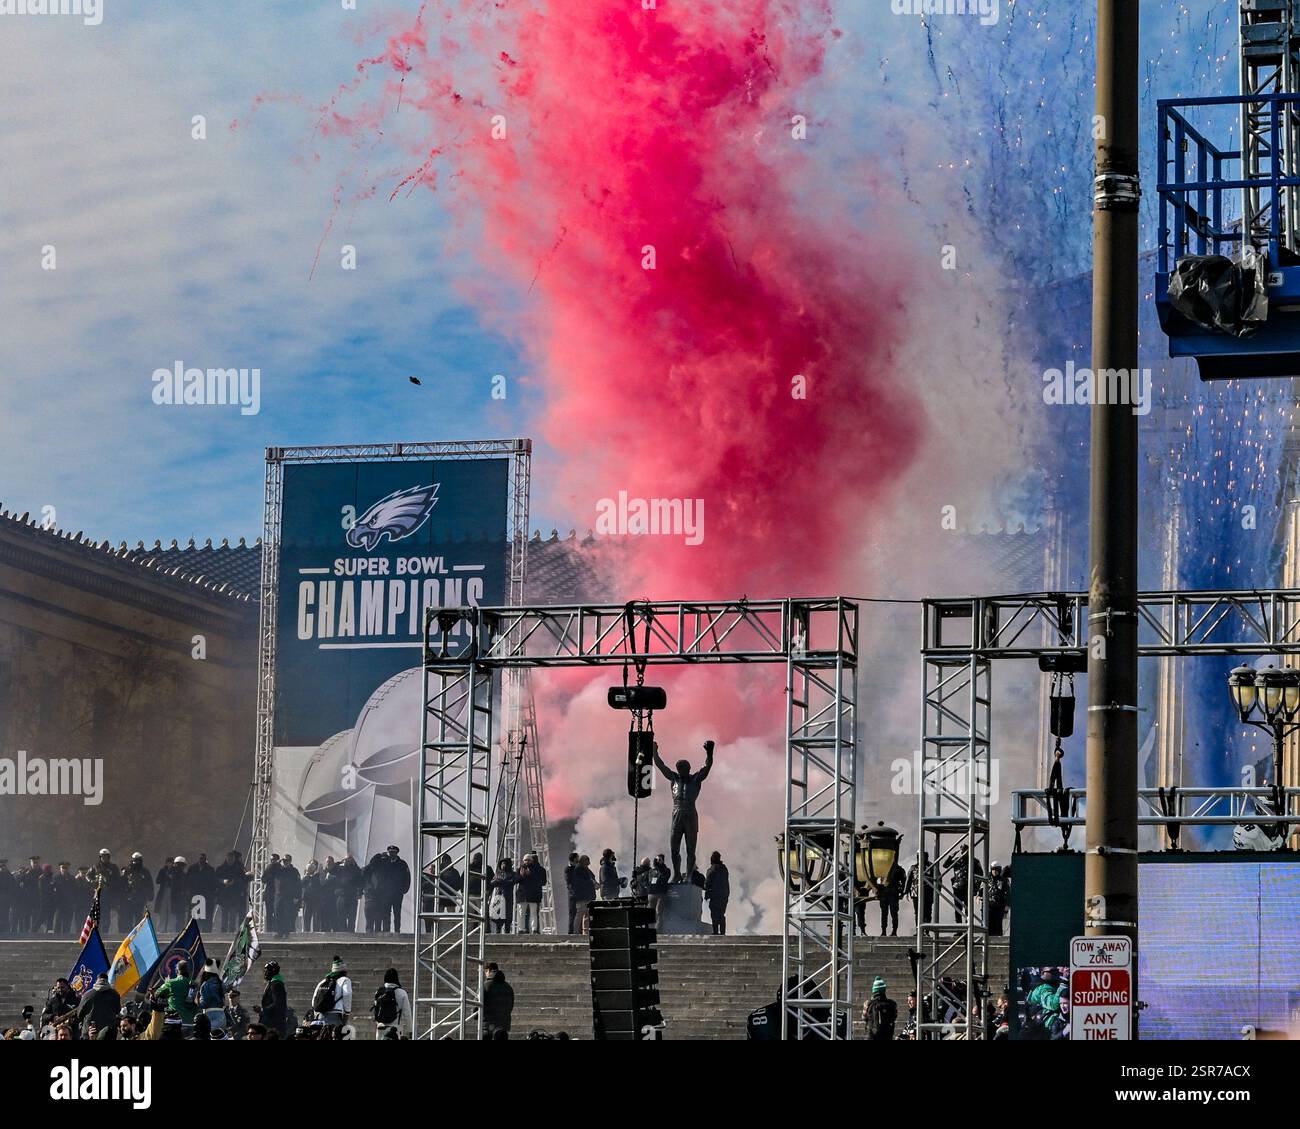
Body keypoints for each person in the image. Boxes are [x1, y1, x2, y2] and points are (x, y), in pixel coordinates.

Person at [652, 739, 715, 882]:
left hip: (691, 814)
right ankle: (676, 874)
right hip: (677, 814)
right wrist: (654, 752)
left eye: (683, 769)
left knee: (690, 848)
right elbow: (661, 766)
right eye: (679, 769)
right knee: (674, 847)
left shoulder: (695, 779)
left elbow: (707, 766)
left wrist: (709, 752)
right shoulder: (674, 778)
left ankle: (689, 875)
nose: (680, 771)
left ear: (688, 769)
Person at [313, 955, 352, 1034]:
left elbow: (315, 997)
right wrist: (347, 1012)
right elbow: (347, 994)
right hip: (335, 1014)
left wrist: (315, 1012)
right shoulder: (345, 980)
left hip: (321, 1014)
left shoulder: (323, 981)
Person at [77, 972, 121, 1040]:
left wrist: (81, 1027)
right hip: (108, 1033)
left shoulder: (88, 995)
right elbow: (118, 1011)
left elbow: (79, 1013)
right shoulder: (115, 995)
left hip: (90, 1031)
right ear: (107, 980)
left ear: (96, 980)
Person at [371, 967, 412, 1040]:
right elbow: (407, 1014)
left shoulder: (379, 992)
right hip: (395, 1031)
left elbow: (376, 1011)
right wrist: (410, 1031)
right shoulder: (402, 993)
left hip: (380, 1029)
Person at [873, 853, 907, 937]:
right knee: (885, 914)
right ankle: (884, 931)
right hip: (884, 894)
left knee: (893, 913)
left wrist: (902, 892)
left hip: (893, 894)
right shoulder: (882, 868)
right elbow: (876, 879)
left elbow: (904, 882)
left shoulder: (898, 869)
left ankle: (893, 931)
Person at [214, 850, 248, 932]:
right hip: (224, 895)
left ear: (234, 859)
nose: (230, 860)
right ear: (226, 859)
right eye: (229, 859)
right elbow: (215, 880)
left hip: (234, 895)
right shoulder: (220, 868)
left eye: (231, 859)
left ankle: (231, 930)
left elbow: (243, 881)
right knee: (224, 914)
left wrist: (234, 882)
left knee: (233, 914)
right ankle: (223, 930)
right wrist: (223, 881)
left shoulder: (239, 869)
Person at [154, 856, 190, 933]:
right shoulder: (163, 871)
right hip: (164, 892)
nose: (169, 864)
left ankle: (170, 929)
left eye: (171, 862)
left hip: (173, 893)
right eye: (168, 862)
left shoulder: (176, 872)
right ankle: (161, 929)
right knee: (162, 912)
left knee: (172, 912)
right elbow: (157, 881)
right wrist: (165, 878)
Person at [159, 960, 198, 1028]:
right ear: (188, 971)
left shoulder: (170, 983)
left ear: (177, 971)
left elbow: (157, 993)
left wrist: (166, 984)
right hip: (191, 1023)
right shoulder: (195, 984)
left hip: (175, 1023)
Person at [514, 852, 547, 934]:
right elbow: (515, 880)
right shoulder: (520, 869)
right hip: (522, 895)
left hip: (533, 895)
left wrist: (530, 874)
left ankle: (534, 929)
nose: (527, 862)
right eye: (525, 860)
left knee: (533, 913)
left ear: (532, 861)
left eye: (528, 860)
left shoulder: (539, 869)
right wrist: (521, 875)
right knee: (521, 913)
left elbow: (542, 882)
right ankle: (521, 929)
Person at [90, 849, 121, 931]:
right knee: (97, 914)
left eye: (106, 856)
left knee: (106, 915)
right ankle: (96, 931)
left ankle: (105, 932)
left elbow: (118, 881)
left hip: (108, 895)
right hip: (98, 894)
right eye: (102, 856)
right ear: (100, 857)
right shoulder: (95, 866)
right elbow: (88, 876)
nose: (104, 858)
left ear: (108, 857)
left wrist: (109, 882)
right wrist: (93, 881)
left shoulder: (113, 867)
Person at [482, 962, 515, 1040]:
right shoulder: (508, 987)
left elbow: (476, 1006)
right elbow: (510, 1006)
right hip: (504, 1025)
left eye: (485, 972)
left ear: (488, 971)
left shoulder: (485, 985)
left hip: (488, 1025)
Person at [256, 960, 289, 1038]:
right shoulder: (273, 983)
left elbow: (278, 1003)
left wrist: (262, 1010)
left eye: (267, 971)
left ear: (272, 971)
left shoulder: (276, 984)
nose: (265, 973)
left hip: (273, 1025)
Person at [120, 853, 154, 927]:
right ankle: (128, 933)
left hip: (140, 897)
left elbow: (149, 884)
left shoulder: (145, 871)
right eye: (134, 860)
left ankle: (137, 933)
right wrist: (122, 895)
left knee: (138, 916)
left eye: (138, 860)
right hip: (129, 897)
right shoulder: (127, 870)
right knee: (128, 916)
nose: (136, 862)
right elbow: (122, 883)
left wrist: (150, 895)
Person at [383, 845, 411, 932]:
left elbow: (407, 877)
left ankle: (397, 930)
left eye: (393, 852)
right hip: (386, 893)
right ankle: (386, 930)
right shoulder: (384, 863)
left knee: (397, 913)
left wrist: (404, 889)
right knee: (386, 913)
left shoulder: (402, 864)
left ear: (396, 853)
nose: (391, 854)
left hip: (397, 893)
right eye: (390, 852)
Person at [332, 853, 363, 932]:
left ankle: (351, 932)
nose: (347, 861)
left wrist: (359, 893)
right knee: (341, 916)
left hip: (352, 896)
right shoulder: (340, 869)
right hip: (341, 896)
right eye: (346, 860)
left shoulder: (356, 869)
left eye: (349, 859)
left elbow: (360, 882)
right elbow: (332, 869)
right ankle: (343, 932)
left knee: (352, 917)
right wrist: (340, 862)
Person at [197, 958, 228, 1032]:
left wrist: (197, 1001)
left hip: (210, 1015)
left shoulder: (206, 985)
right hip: (222, 1015)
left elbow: (204, 1004)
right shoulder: (221, 984)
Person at [363, 851, 390, 933]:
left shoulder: (370, 870)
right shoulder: (374, 870)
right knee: (373, 922)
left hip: (374, 899)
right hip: (373, 898)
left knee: (373, 923)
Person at [863, 976, 897, 1041]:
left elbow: (864, 1018)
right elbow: (894, 1016)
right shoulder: (892, 1004)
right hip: (887, 1036)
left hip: (871, 1036)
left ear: (874, 991)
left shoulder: (867, 1003)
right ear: (884, 990)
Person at [275, 854, 302, 936]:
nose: (285, 862)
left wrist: (297, 897)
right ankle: (279, 931)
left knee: (287, 914)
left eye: (286, 860)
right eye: (283, 860)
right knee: (278, 912)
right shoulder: (279, 870)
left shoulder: (294, 871)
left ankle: (286, 932)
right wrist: (276, 864)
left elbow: (298, 885)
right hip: (280, 896)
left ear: (290, 861)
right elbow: (272, 875)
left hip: (289, 896)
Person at [704, 851, 730, 935]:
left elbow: (707, 882)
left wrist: (707, 892)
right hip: (724, 895)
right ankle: (722, 933)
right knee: (721, 914)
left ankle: (715, 932)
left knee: (714, 914)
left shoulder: (712, 869)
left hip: (715, 895)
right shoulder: (724, 869)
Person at [189, 853, 218, 927]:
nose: (202, 860)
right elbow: (187, 881)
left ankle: (206, 931)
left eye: (203, 859)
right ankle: (193, 930)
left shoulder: (210, 870)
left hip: (206, 895)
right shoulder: (192, 868)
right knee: (194, 916)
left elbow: (214, 883)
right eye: (201, 858)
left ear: (205, 860)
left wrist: (212, 893)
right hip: (194, 895)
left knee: (206, 916)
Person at [570, 855, 596, 935]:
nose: (589, 862)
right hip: (581, 897)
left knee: (587, 916)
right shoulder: (578, 870)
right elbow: (581, 883)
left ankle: (586, 933)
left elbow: (592, 878)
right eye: (587, 860)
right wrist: (591, 882)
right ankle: (575, 933)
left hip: (588, 896)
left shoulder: (586, 870)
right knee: (579, 915)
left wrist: (595, 883)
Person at [489, 858, 516, 933]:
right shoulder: (498, 873)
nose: (503, 865)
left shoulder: (512, 873)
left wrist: (503, 882)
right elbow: (492, 882)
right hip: (499, 896)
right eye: (502, 864)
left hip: (508, 896)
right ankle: (498, 930)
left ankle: (507, 930)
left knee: (508, 914)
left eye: (504, 864)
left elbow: (513, 881)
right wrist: (496, 881)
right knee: (498, 914)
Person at [987, 862, 1011, 936]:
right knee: (989, 925)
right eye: (993, 869)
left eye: (996, 869)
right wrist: (979, 896)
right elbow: (982, 888)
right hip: (989, 906)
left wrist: (1007, 905)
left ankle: (997, 940)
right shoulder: (987, 878)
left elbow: (1009, 893)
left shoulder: (1004, 879)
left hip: (999, 906)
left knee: (998, 925)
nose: (994, 871)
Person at [647, 855, 671, 929]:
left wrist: (660, 868)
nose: (657, 861)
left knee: (659, 911)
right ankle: (650, 928)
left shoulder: (666, 870)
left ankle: (658, 929)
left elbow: (665, 878)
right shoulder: (652, 871)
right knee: (651, 912)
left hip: (661, 894)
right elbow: (649, 880)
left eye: (659, 860)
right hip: (652, 893)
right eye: (656, 859)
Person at [301, 859, 325, 932]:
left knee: (316, 917)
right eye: (311, 864)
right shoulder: (306, 875)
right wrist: (307, 875)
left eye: (314, 865)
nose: (312, 866)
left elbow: (322, 883)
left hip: (316, 899)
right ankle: (306, 931)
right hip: (307, 899)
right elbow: (300, 884)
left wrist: (320, 872)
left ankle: (316, 932)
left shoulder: (319, 875)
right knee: (306, 917)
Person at [563, 852, 579, 933]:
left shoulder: (577, 868)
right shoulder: (568, 869)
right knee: (572, 914)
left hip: (579, 895)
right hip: (573, 895)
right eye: (577, 858)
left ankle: (578, 931)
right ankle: (571, 932)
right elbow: (569, 882)